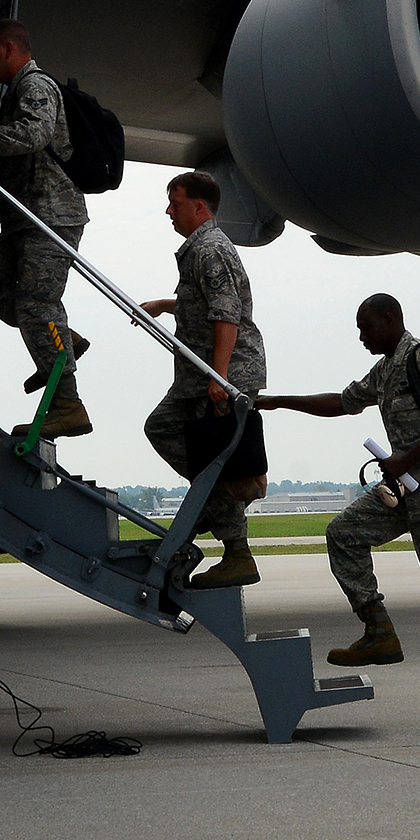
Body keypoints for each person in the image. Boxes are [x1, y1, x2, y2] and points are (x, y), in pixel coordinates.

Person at [261, 294, 420, 732]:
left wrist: (407, 458)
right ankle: (379, 631)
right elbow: (342, 401)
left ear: (390, 321)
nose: (361, 335)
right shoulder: (386, 368)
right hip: (406, 493)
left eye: (366, 326)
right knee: (343, 533)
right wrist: (280, 401)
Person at [0, 19, 90, 438]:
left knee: (37, 306)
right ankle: (60, 343)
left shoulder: (36, 87)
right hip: (22, 219)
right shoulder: (15, 92)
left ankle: (68, 405)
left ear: (9, 48)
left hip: (49, 218)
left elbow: (36, 132)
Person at [139, 171, 266, 589]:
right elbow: (205, 301)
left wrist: (220, 376)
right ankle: (215, 510)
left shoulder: (209, 249)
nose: (169, 211)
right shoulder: (200, 250)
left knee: (213, 460)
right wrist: (166, 304)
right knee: (172, 434)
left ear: (199, 207)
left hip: (219, 375)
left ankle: (235, 548)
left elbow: (227, 312)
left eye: (175, 203)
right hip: (200, 376)